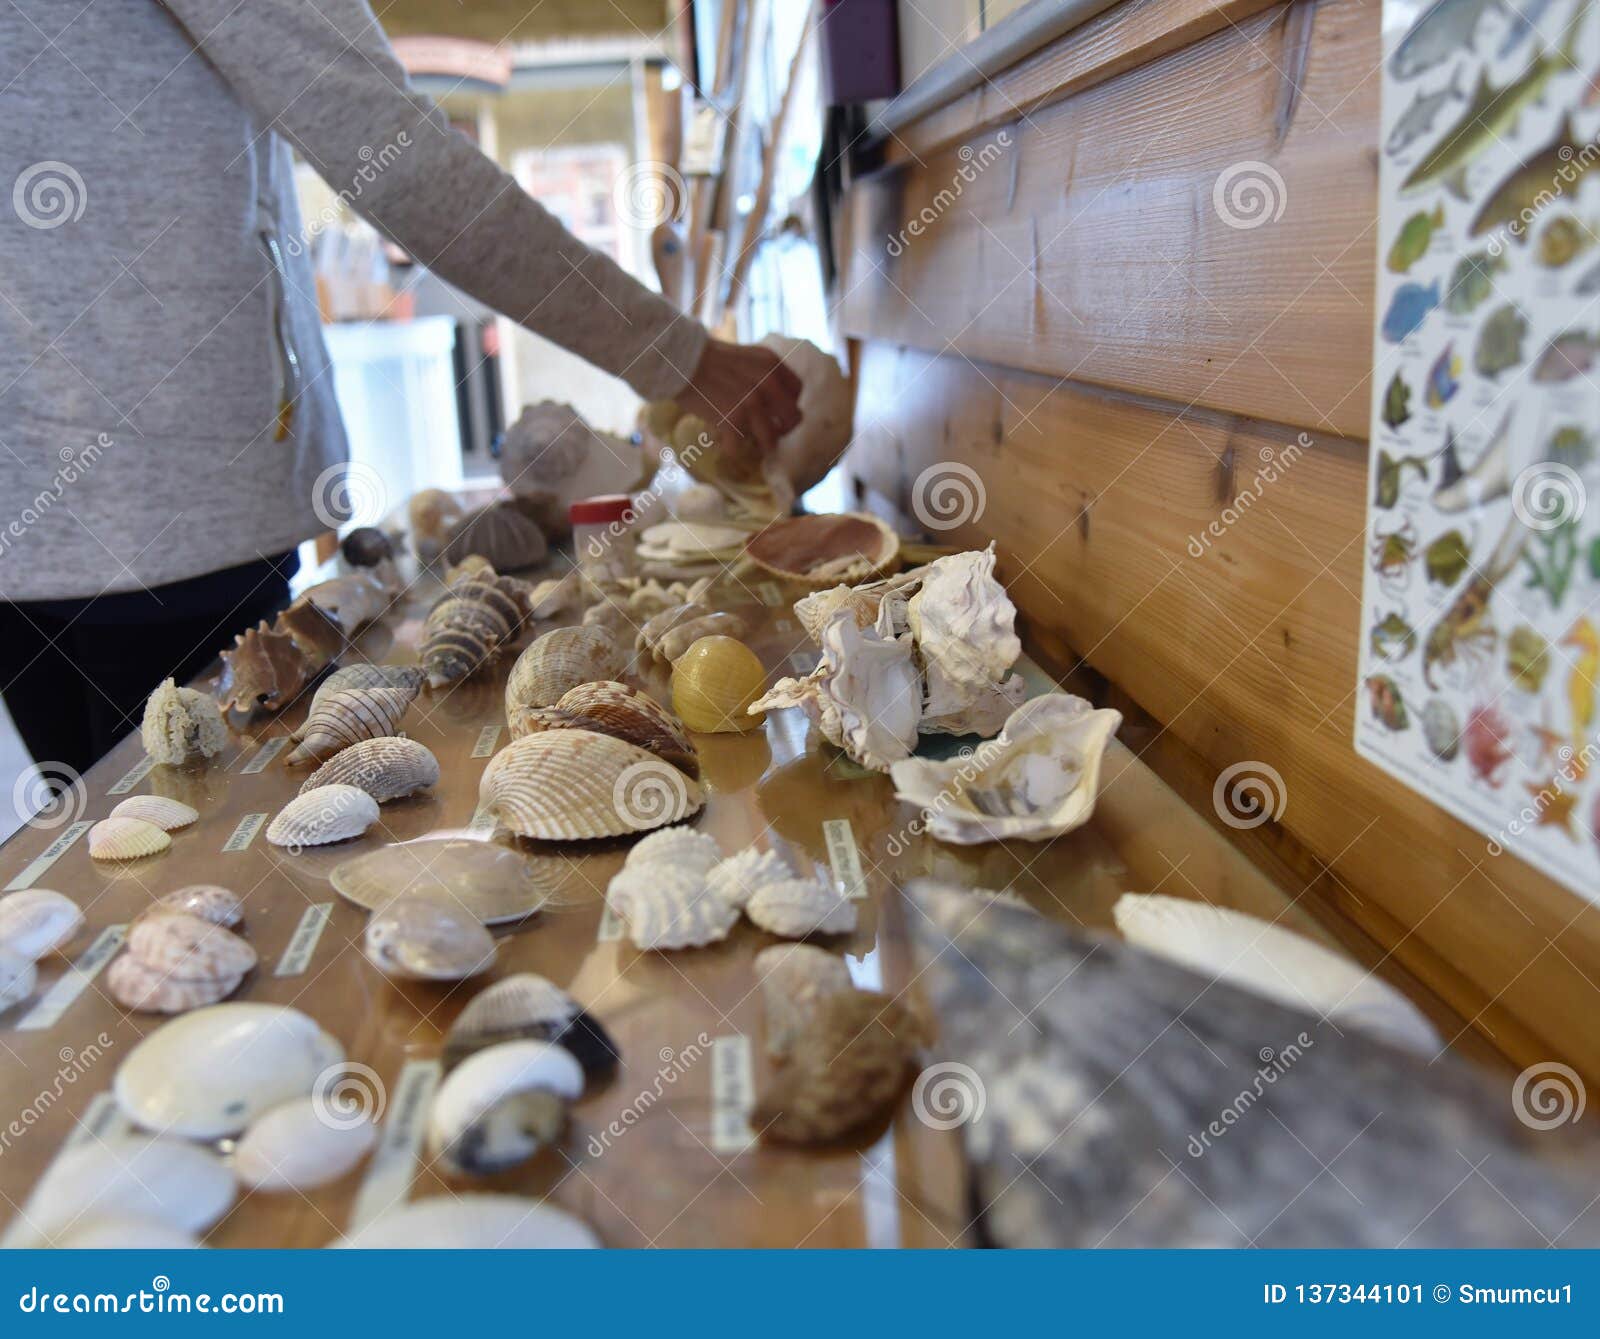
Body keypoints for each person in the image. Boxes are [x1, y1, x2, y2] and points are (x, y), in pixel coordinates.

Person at [0, 0, 801, 777]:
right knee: (186, 854)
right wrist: (680, 354)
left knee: (110, 855)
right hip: (169, 503)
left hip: (50, 520)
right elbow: (389, 146)